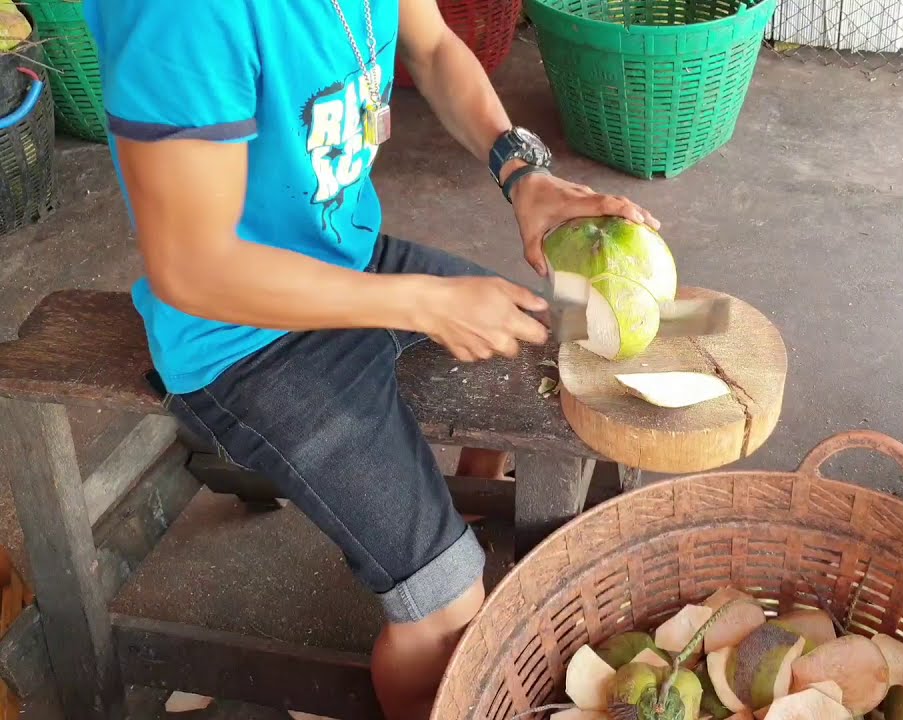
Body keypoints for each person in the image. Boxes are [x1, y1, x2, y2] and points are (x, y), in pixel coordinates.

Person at [83, 1, 659, 717]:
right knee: (447, 609)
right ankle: (436, 578)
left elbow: (435, 45)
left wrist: (523, 172)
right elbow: (193, 269)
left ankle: (464, 507)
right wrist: (420, 304)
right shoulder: (184, 16)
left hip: (352, 262)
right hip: (241, 342)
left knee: (526, 340)